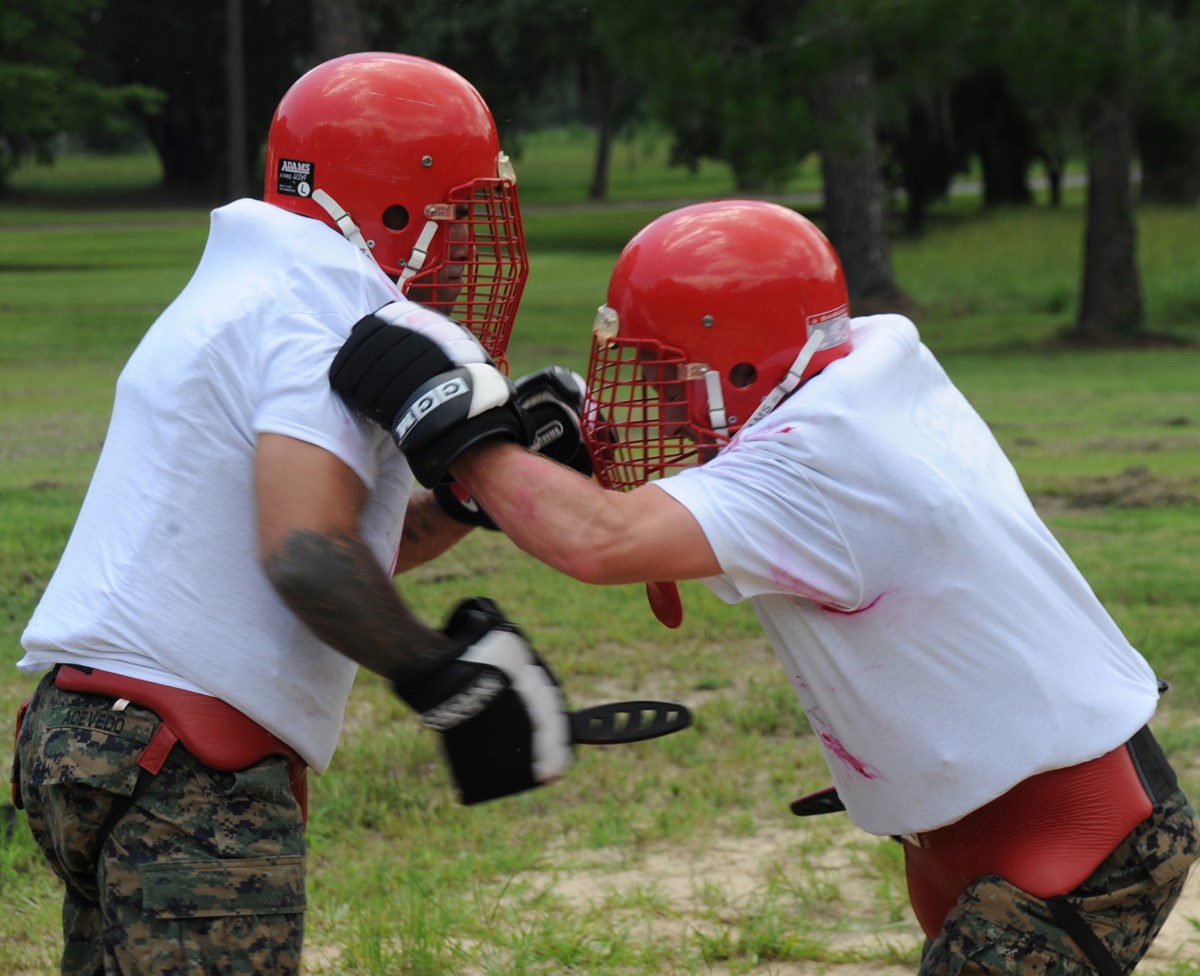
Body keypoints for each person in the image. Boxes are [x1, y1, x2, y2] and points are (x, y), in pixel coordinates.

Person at [329, 198, 1200, 976]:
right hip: (999, 814)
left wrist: (463, 430)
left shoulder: (825, 463)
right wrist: (477, 494)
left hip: (1073, 833)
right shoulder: (867, 365)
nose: (651, 406)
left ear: (742, 368)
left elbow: (599, 541)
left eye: (667, 377)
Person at [11, 52, 578, 976]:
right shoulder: (325, 302)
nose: (473, 249)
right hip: (184, 766)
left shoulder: (252, 283)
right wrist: (443, 679)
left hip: (79, 737)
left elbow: (337, 535)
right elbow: (308, 556)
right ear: (394, 208)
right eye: (459, 218)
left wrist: (467, 505)